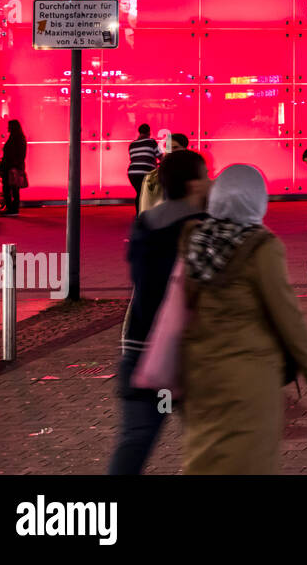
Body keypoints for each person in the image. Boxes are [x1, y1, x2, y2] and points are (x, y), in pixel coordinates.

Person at [179, 164, 307, 474]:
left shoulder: (193, 238)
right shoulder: (262, 247)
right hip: (249, 378)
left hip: (200, 372)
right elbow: (287, 312)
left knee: (204, 457)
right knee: (250, 460)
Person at [108, 148, 210, 475]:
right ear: (194, 185)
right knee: (214, 439)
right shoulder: (203, 231)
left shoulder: (144, 224)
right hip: (188, 357)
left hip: (140, 351)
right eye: (206, 177)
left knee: (136, 438)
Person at [138, 133, 189, 214]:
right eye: (168, 148)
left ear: (185, 149)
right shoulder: (153, 176)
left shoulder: (193, 172)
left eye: (175, 147)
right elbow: (145, 207)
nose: (170, 151)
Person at [0, 119, 26, 216]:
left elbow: (14, 154)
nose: (8, 128)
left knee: (9, 188)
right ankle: (13, 209)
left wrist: (13, 166)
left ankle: (12, 209)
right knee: (13, 189)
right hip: (13, 167)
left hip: (11, 167)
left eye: (9, 126)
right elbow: (21, 154)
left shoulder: (15, 138)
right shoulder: (18, 137)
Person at [126, 123, 159, 204]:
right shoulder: (151, 142)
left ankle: (139, 214)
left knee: (140, 193)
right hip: (145, 172)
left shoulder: (132, 144)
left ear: (139, 132)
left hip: (132, 173)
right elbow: (160, 156)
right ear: (149, 132)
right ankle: (145, 214)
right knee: (147, 194)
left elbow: (134, 158)